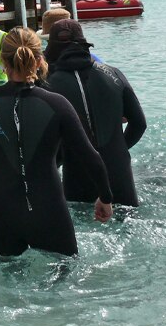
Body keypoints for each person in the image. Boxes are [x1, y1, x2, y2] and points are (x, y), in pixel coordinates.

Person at [0, 28, 113, 256]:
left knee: (6, 286)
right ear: (39, 60)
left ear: (1, 60)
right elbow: (90, 156)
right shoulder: (58, 104)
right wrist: (105, 197)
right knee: (62, 282)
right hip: (49, 211)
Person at [44, 19, 147, 206]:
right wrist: (118, 149)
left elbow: (43, 140)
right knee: (126, 222)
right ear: (84, 43)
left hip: (77, 176)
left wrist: (58, 161)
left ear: (52, 49)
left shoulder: (47, 85)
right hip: (118, 172)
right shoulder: (114, 74)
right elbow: (139, 124)